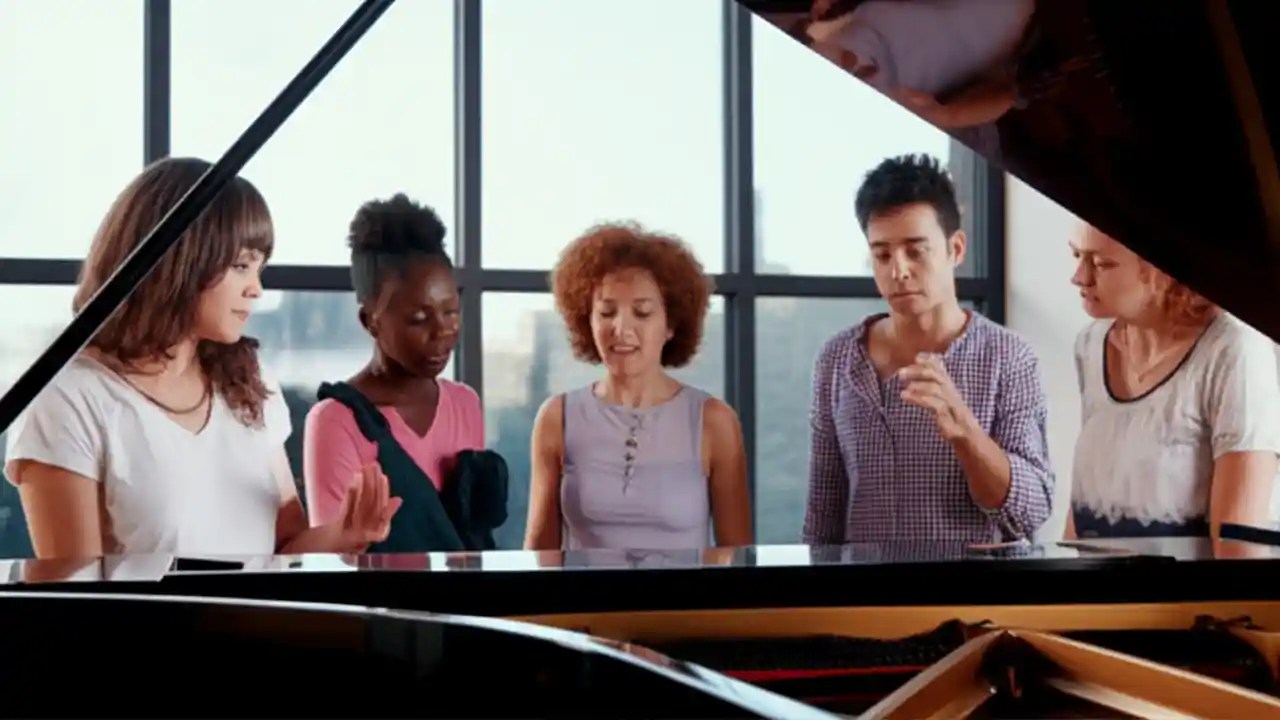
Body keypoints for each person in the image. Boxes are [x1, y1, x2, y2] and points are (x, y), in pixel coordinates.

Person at [3, 157, 398, 559]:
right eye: (241, 266)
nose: (256, 289)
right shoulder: (69, 400)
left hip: (261, 623)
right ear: (181, 261)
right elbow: (74, 599)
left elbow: (284, 550)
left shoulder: (249, 381)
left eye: (259, 268)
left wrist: (342, 535)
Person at [803, 154, 1054, 545]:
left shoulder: (1009, 357)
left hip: (973, 602)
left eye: (916, 251)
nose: (898, 270)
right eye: (882, 254)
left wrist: (965, 432)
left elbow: (1031, 510)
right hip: (864, 602)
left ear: (955, 249)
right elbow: (822, 516)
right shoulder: (837, 359)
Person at [524, 222, 752, 551]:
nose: (621, 328)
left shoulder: (715, 421)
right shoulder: (556, 417)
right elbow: (539, 556)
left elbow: (737, 561)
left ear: (671, 324)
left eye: (642, 313)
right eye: (606, 312)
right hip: (583, 604)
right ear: (586, 320)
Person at [303, 194, 494, 553]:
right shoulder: (337, 421)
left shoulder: (464, 403)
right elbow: (333, 563)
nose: (442, 332)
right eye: (419, 318)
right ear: (369, 321)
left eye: (451, 312)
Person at [1067, 224, 1280, 542]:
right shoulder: (1091, 345)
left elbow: (1239, 545)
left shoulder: (1234, 348)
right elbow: (1082, 514)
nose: (1079, 278)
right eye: (1075, 255)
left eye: (1101, 264)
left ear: (1160, 269)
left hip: (1190, 591)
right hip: (1099, 590)